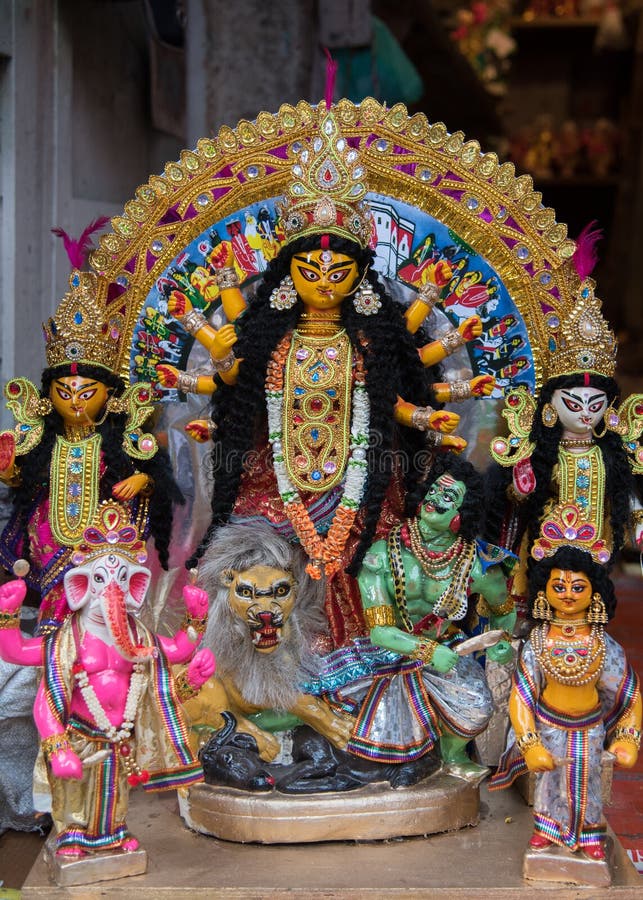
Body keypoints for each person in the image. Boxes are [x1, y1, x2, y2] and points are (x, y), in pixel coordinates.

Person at [156, 107, 494, 647]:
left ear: (360, 279)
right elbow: (239, 387)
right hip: (274, 476)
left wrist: (424, 413)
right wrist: (221, 359)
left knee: (363, 564)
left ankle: (351, 662)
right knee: (258, 561)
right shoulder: (273, 340)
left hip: (357, 477)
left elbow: (388, 402)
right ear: (286, 276)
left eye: (339, 275)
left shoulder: (367, 340)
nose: (323, 286)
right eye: (309, 273)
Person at [309, 453, 516, 777]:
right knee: (335, 702)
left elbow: (502, 608)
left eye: (448, 496)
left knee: (477, 707)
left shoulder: (476, 564)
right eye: (434, 490)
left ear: (461, 515)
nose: (435, 498)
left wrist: (498, 642)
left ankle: (453, 758)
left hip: (448, 650)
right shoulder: (379, 556)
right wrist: (428, 652)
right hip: (384, 653)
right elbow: (380, 632)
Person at [0, 269, 183, 633]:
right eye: (64, 392)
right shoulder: (41, 438)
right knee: (55, 615)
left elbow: (155, 480)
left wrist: (142, 479)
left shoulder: (119, 442)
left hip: (102, 544)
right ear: (48, 395)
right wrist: (8, 471)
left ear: (109, 396)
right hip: (48, 538)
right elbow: (26, 482)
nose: (75, 402)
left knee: (102, 618)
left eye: (86, 393)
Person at [486, 232, 643, 613]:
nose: (586, 412)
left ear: (609, 408)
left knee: (592, 617)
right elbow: (517, 498)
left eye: (596, 404)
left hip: (598, 549)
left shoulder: (611, 452)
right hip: (547, 548)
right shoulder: (543, 452)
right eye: (574, 403)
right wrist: (520, 487)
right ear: (551, 408)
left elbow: (628, 495)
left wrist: (638, 520)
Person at [490, 543, 641, 861]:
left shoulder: (602, 644)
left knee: (589, 782)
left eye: (578, 587)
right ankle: (546, 830)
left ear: (594, 593)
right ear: (544, 592)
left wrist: (628, 739)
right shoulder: (539, 642)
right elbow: (522, 694)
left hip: (589, 730)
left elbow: (628, 694)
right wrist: (530, 743)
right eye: (559, 586)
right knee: (548, 784)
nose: (568, 594)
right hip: (549, 725)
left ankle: (589, 834)